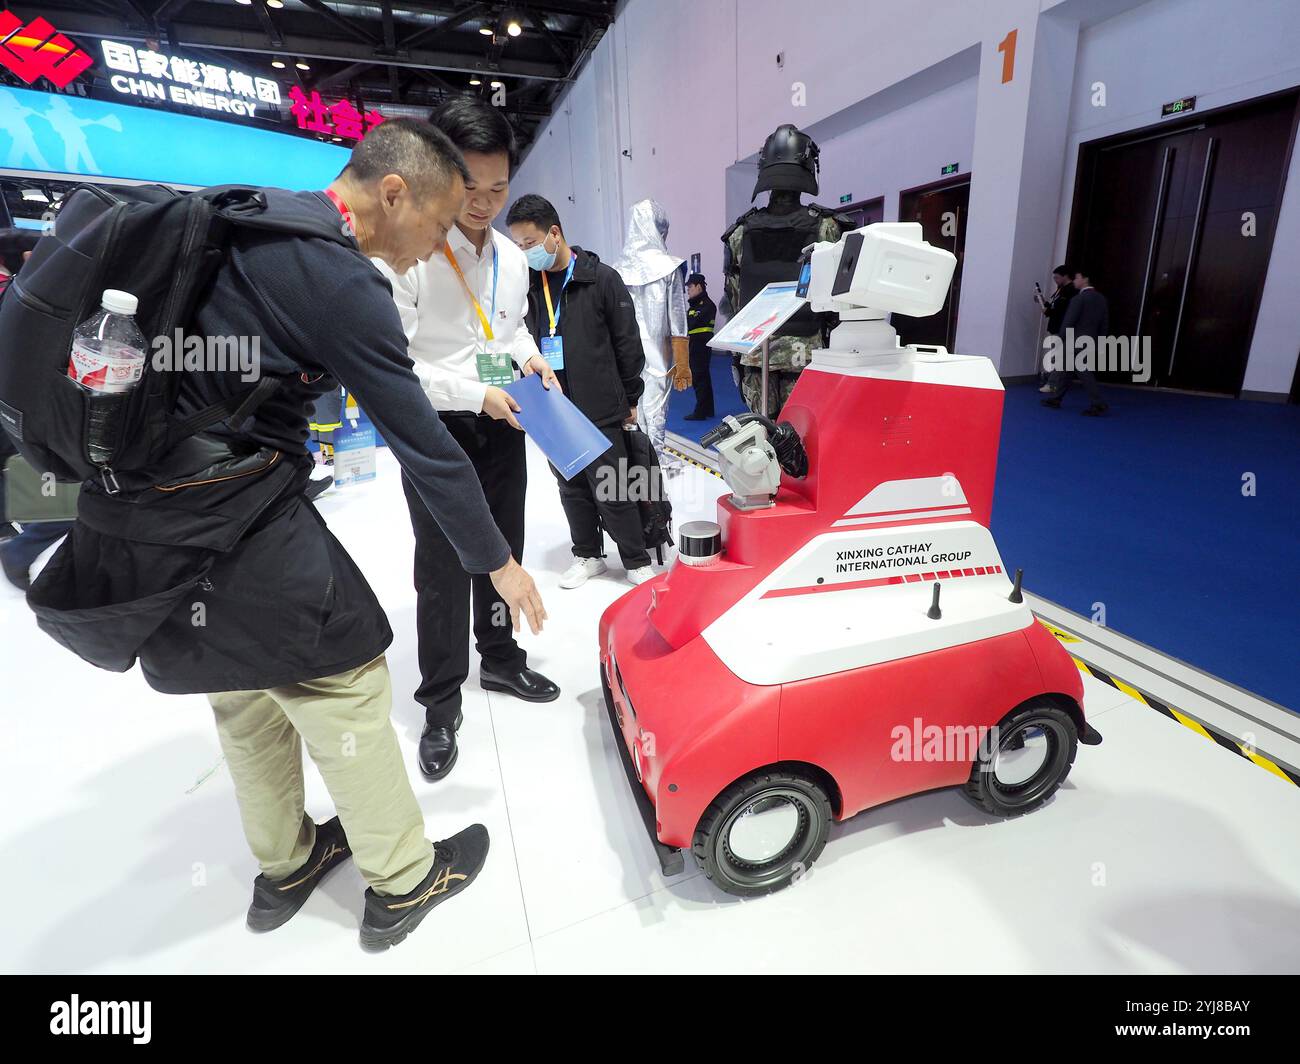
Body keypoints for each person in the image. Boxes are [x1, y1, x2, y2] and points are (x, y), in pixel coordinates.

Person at [27, 119, 548, 950]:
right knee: (343, 679)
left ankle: (287, 863)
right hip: (227, 505)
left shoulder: (261, 217)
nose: (432, 247)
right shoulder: (343, 283)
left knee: (242, 687)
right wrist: (501, 565)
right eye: (437, 221)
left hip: (142, 504)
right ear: (393, 193)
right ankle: (405, 879)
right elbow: (426, 446)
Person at [371, 96, 561, 784]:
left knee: (503, 545)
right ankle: (441, 699)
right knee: (445, 566)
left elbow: (502, 332)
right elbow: (394, 361)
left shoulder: (513, 257)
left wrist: (532, 356)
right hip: (435, 430)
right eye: (467, 188)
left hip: (503, 419)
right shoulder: (407, 251)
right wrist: (468, 393)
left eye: (498, 188)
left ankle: (503, 660)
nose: (482, 204)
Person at [507, 193, 655, 588]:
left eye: (530, 243)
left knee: (613, 484)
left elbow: (627, 343)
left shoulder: (601, 278)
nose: (525, 252)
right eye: (519, 246)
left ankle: (636, 558)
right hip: (552, 405)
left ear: (554, 233)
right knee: (570, 485)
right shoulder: (528, 288)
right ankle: (588, 554)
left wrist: (630, 396)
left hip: (601, 404)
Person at [722, 124, 852, 417]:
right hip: (805, 353)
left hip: (756, 353)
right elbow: (839, 300)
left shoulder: (740, 232)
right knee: (802, 439)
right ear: (808, 167)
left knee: (759, 440)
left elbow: (732, 297)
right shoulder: (827, 227)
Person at [612, 199, 690, 468]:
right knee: (655, 408)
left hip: (624, 354)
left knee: (632, 408)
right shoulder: (668, 267)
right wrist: (683, 362)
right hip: (659, 353)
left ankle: (638, 460)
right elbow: (677, 317)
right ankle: (654, 461)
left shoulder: (615, 270)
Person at [1042, 268, 1109, 416]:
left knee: (1083, 372)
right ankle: (1055, 398)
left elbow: (1069, 322)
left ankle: (1098, 403)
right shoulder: (1101, 298)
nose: (1075, 281)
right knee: (1066, 370)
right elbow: (1104, 323)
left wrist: (1060, 338)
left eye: (1077, 278)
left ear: (1085, 279)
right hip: (1091, 340)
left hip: (1075, 341)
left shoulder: (1078, 299)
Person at [1036, 264, 1076, 390]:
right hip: (1055, 327)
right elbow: (1054, 306)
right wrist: (1044, 302)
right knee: (1056, 356)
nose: (1055, 280)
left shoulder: (1070, 291)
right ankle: (1054, 381)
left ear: (1065, 276)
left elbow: (1060, 310)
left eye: (1057, 278)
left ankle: (1053, 383)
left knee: (1059, 357)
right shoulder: (1061, 289)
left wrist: (1047, 310)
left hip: (1062, 328)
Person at [684, 272, 717, 421]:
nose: (688, 290)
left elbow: (690, 323)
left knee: (699, 378)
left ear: (698, 286)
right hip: (695, 345)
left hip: (701, 346)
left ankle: (700, 411)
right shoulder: (695, 306)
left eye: (690, 287)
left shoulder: (707, 305)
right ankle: (708, 408)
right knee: (703, 377)